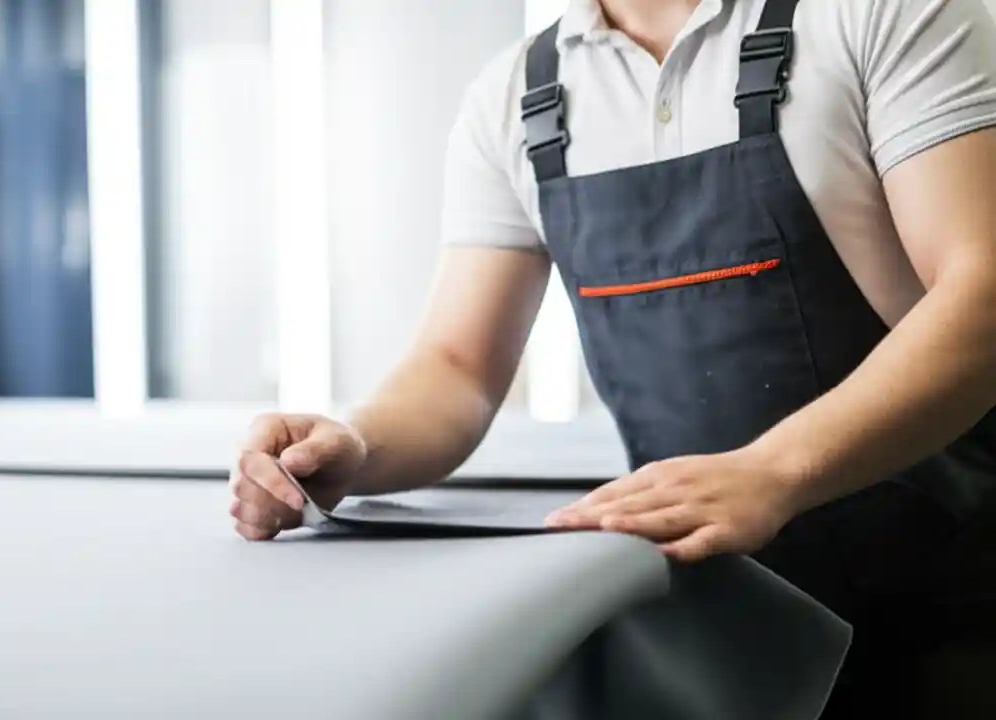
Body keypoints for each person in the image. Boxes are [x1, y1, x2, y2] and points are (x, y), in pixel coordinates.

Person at [227, 0, 996, 715]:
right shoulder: (517, 99)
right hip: (716, 626)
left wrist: (772, 472)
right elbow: (456, 369)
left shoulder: (884, 13)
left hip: (949, 600)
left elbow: (983, 296)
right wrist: (354, 449)